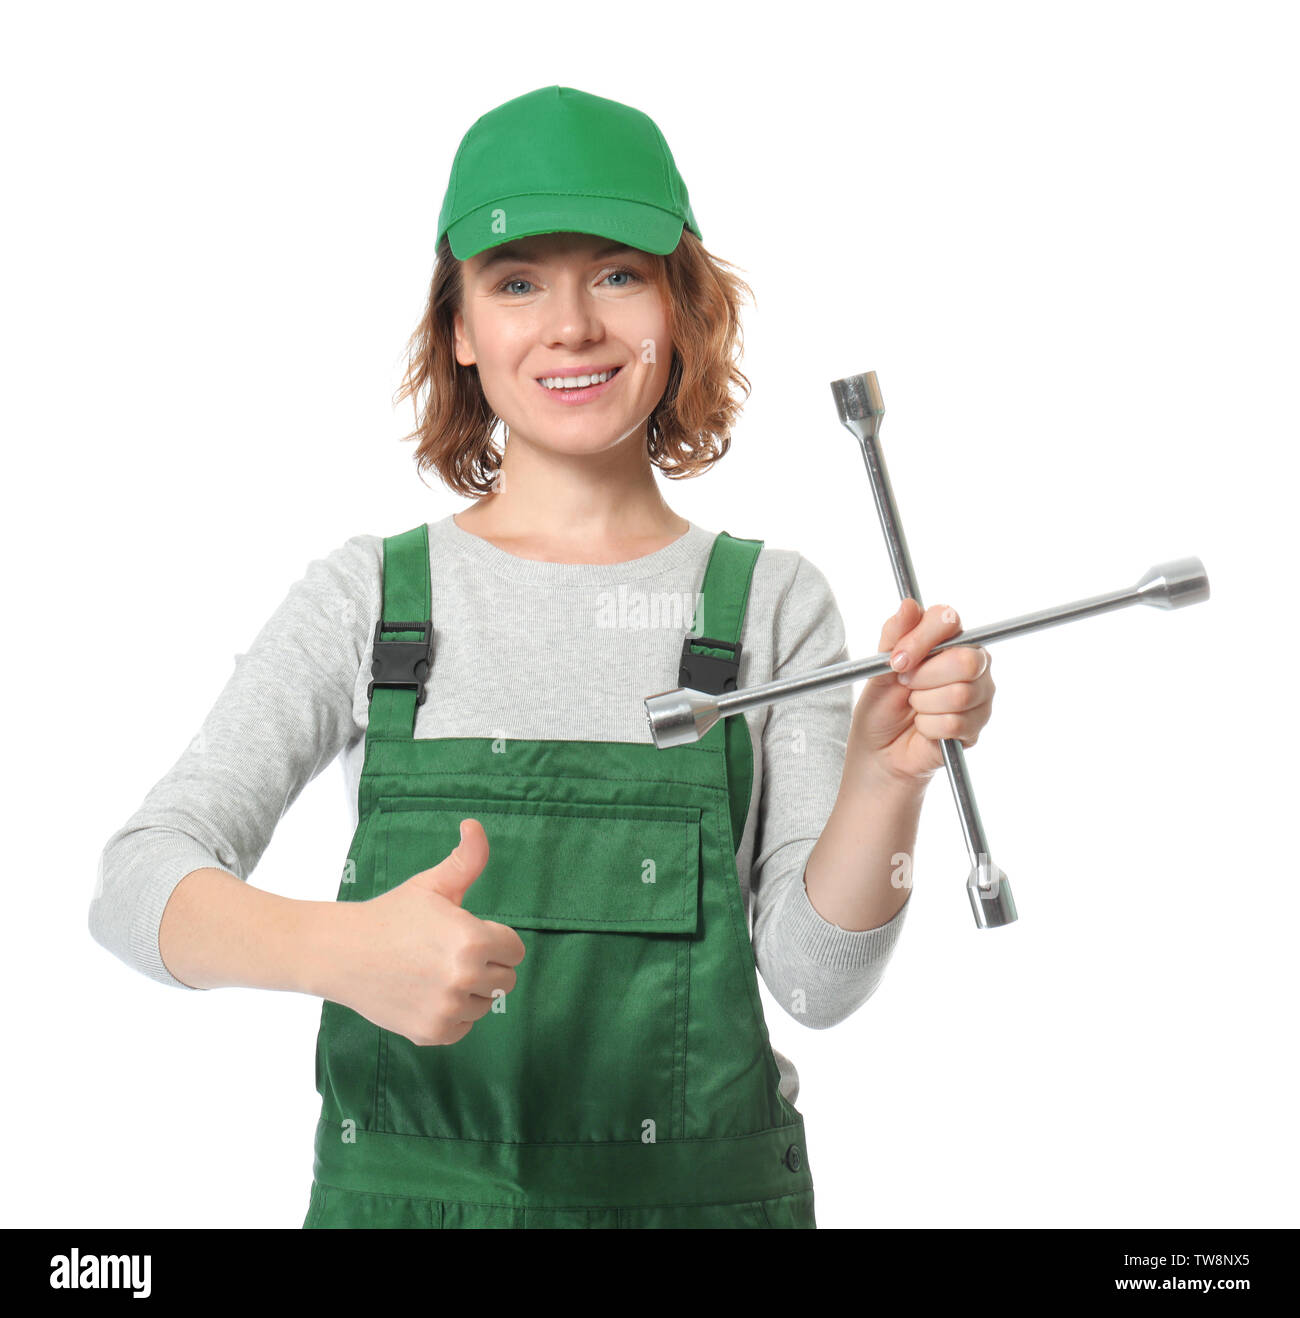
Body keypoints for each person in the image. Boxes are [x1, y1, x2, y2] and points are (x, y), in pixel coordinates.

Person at [90, 85, 995, 1229]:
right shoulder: (370, 599)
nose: (571, 325)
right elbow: (133, 887)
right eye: (517, 282)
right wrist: (342, 950)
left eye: (618, 273)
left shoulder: (770, 605)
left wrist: (887, 779)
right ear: (460, 327)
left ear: (681, 309)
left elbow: (816, 984)